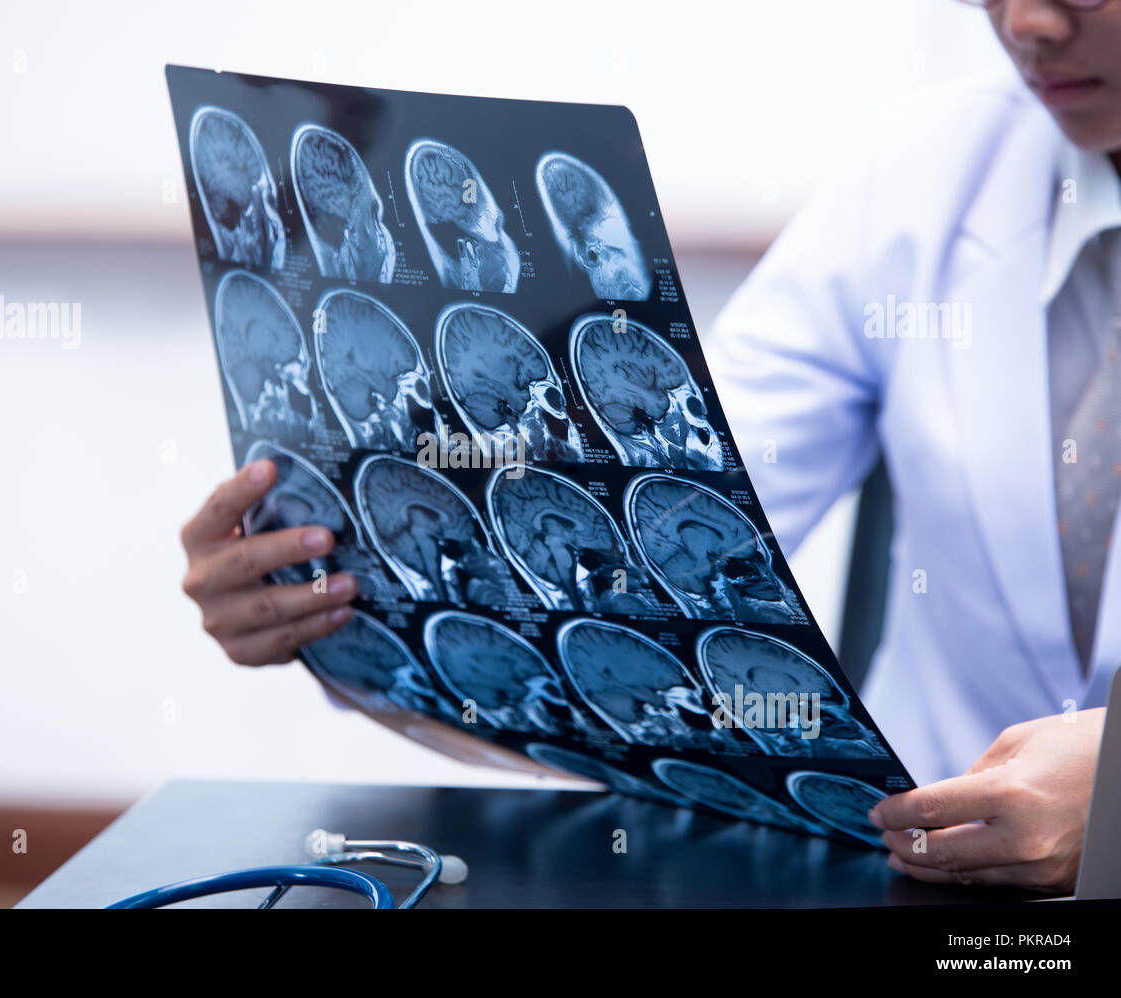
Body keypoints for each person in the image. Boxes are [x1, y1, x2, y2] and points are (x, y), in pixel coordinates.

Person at [181, 0, 1121, 893]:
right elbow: (667, 498)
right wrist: (347, 585)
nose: (1027, 25)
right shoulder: (934, 163)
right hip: (920, 878)